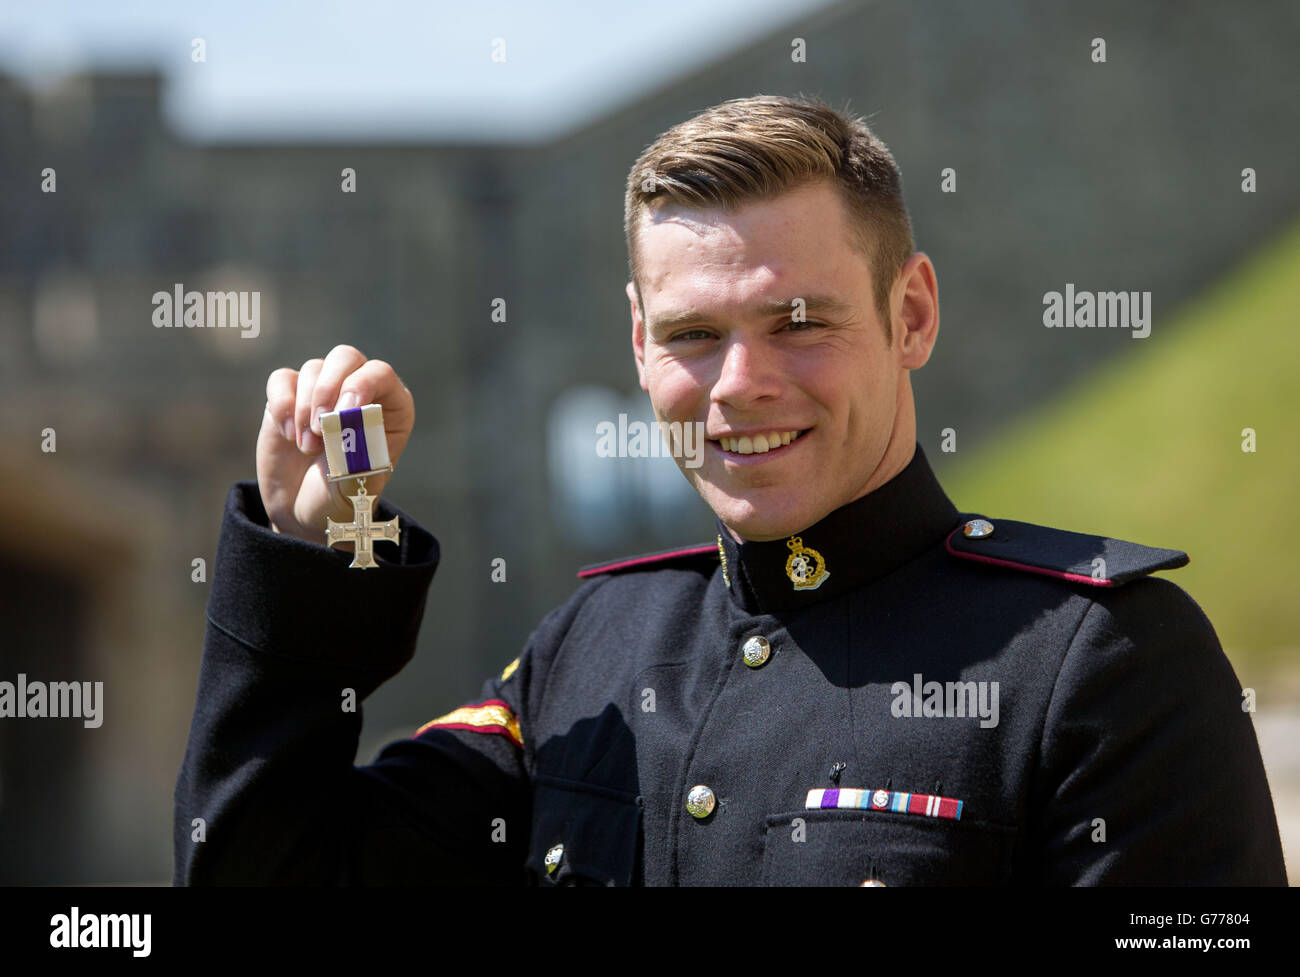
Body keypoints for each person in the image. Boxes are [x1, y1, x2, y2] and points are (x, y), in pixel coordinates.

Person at [174, 94, 1286, 885]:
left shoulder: (1099, 661)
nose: (740, 385)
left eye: (798, 322)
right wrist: (322, 550)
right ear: (637, 341)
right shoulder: (592, 651)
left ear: (910, 314)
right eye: (693, 335)